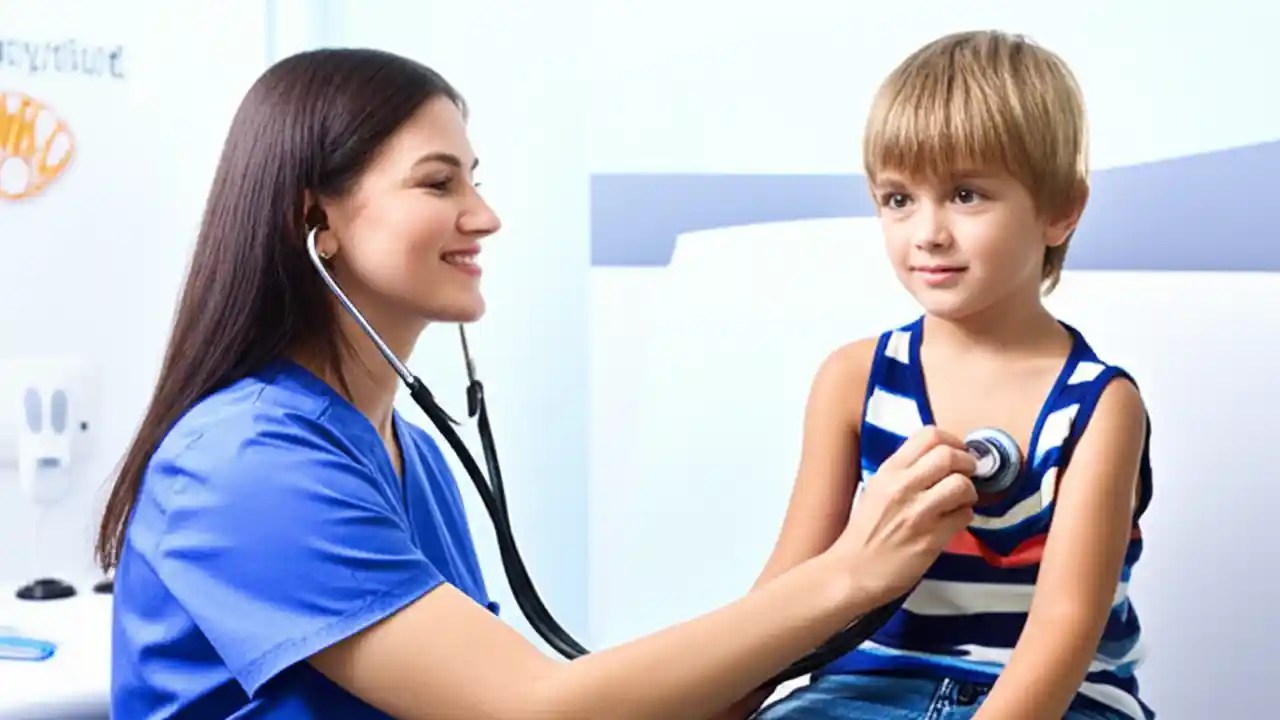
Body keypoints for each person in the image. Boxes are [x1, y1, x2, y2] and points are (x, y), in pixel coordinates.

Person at [96, 47, 982, 720]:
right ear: (313, 220)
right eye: (438, 183)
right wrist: (851, 575)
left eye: (473, 181)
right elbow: (532, 709)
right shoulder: (244, 461)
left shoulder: (408, 458)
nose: (484, 217)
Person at [721, 30, 1156, 720]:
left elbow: (1063, 630)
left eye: (965, 194)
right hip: (864, 694)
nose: (927, 232)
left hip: (1055, 703)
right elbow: (790, 593)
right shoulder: (854, 379)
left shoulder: (1099, 406)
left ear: (1060, 210)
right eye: (898, 199)